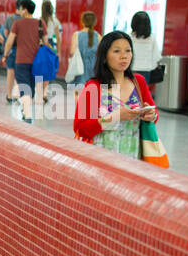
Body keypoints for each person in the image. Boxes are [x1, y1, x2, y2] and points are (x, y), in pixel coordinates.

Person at [72, 30, 157, 158]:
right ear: (105, 56)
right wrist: (113, 117)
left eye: (128, 51)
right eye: (117, 51)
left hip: (133, 158)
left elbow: (154, 113)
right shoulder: (93, 87)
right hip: (101, 159)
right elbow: (81, 128)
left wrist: (152, 115)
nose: (124, 56)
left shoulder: (138, 82)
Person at [2, 0, 43, 122]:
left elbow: (9, 40)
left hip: (21, 60)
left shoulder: (17, 23)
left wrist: (5, 54)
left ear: (24, 10)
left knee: (24, 86)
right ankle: (26, 111)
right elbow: (45, 42)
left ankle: (28, 114)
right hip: (37, 61)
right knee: (31, 86)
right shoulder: (40, 23)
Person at [68, 12, 101, 90]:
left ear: (82, 21)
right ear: (94, 22)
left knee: (78, 90)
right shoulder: (98, 36)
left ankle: (80, 102)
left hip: (79, 66)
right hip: (93, 67)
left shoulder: (77, 34)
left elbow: (72, 52)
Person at [128, 11, 160, 91]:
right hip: (146, 71)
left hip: (131, 69)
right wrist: (151, 66)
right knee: (142, 94)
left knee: (130, 94)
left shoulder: (129, 37)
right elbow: (156, 56)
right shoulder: (152, 38)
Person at [37, 0, 61, 105]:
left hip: (40, 45)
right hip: (51, 46)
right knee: (47, 70)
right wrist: (58, 51)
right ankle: (44, 93)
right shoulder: (54, 21)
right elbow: (58, 38)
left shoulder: (38, 20)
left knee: (39, 69)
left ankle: (38, 93)